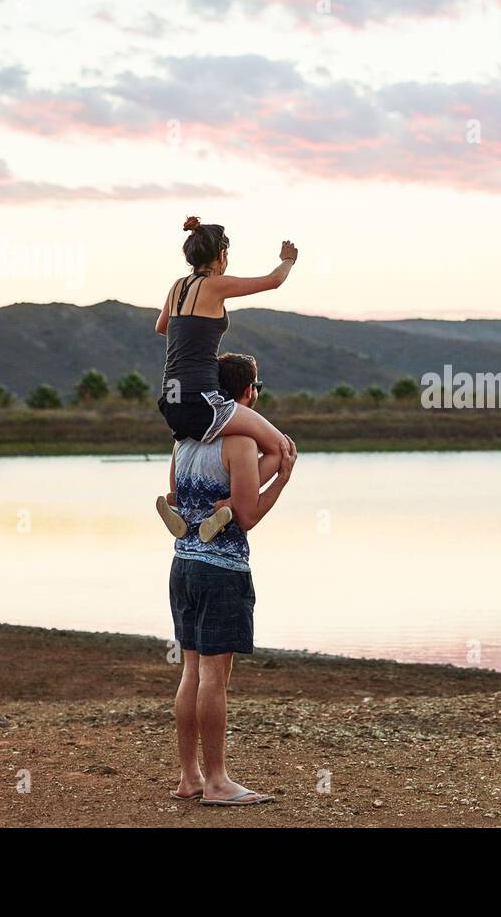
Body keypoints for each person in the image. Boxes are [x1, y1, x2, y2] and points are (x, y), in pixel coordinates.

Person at [167, 355, 298, 807]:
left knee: (190, 670)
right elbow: (246, 515)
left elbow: (179, 499)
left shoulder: (182, 441)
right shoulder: (241, 442)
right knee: (213, 677)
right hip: (222, 569)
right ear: (247, 394)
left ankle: (190, 777)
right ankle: (218, 781)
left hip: (182, 565)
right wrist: (280, 479)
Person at [154, 215, 298, 541]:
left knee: (190, 443)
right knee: (281, 447)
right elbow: (273, 281)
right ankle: (235, 501)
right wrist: (288, 260)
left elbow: (162, 327)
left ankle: (177, 502)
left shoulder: (178, 287)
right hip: (201, 397)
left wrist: (191, 334)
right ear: (220, 255)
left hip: (171, 398)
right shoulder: (215, 285)